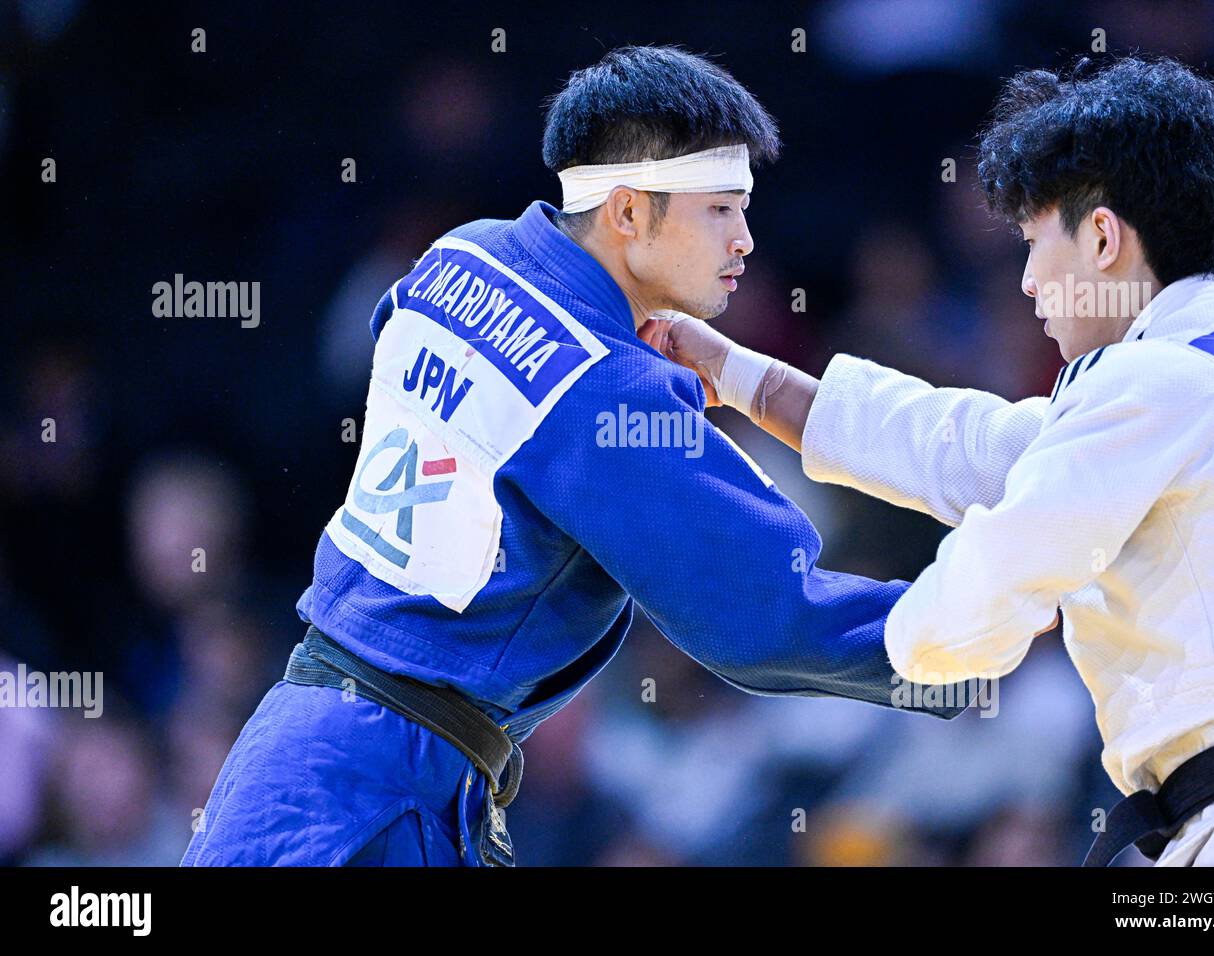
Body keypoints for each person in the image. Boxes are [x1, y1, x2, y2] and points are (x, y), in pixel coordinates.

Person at [182, 45, 969, 868]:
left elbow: (403, 345)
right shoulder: (606, 384)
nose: (744, 239)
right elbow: (768, 614)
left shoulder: (460, 255)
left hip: (297, 735)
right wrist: (967, 635)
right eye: (719, 210)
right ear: (627, 212)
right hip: (391, 788)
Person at [648, 57, 1214, 866]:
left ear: (1102, 238)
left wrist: (825, 645)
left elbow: (1001, 568)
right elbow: (961, 445)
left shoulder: (1159, 382)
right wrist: (744, 377)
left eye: (1033, 243)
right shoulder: (1204, 365)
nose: (1027, 283)